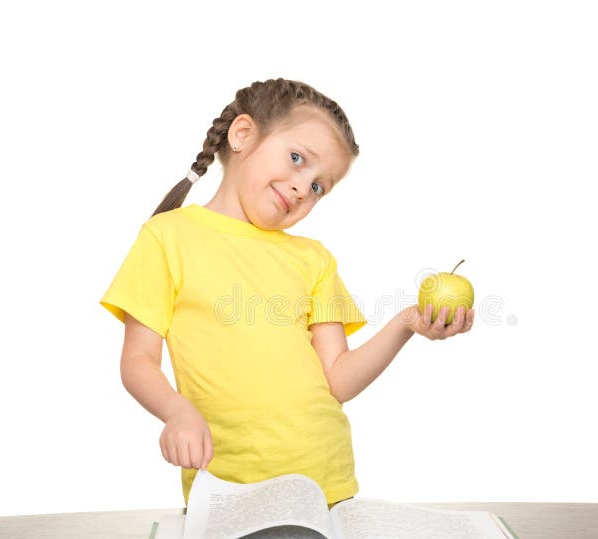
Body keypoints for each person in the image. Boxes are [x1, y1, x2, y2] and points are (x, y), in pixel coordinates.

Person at [100, 77, 475, 507]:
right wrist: (177, 411)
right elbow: (138, 360)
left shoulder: (315, 260)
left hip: (327, 484)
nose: (302, 188)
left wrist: (407, 322)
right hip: (228, 487)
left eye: (318, 186)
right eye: (297, 159)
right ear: (242, 135)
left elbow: (337, 378)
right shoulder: (167, 238)